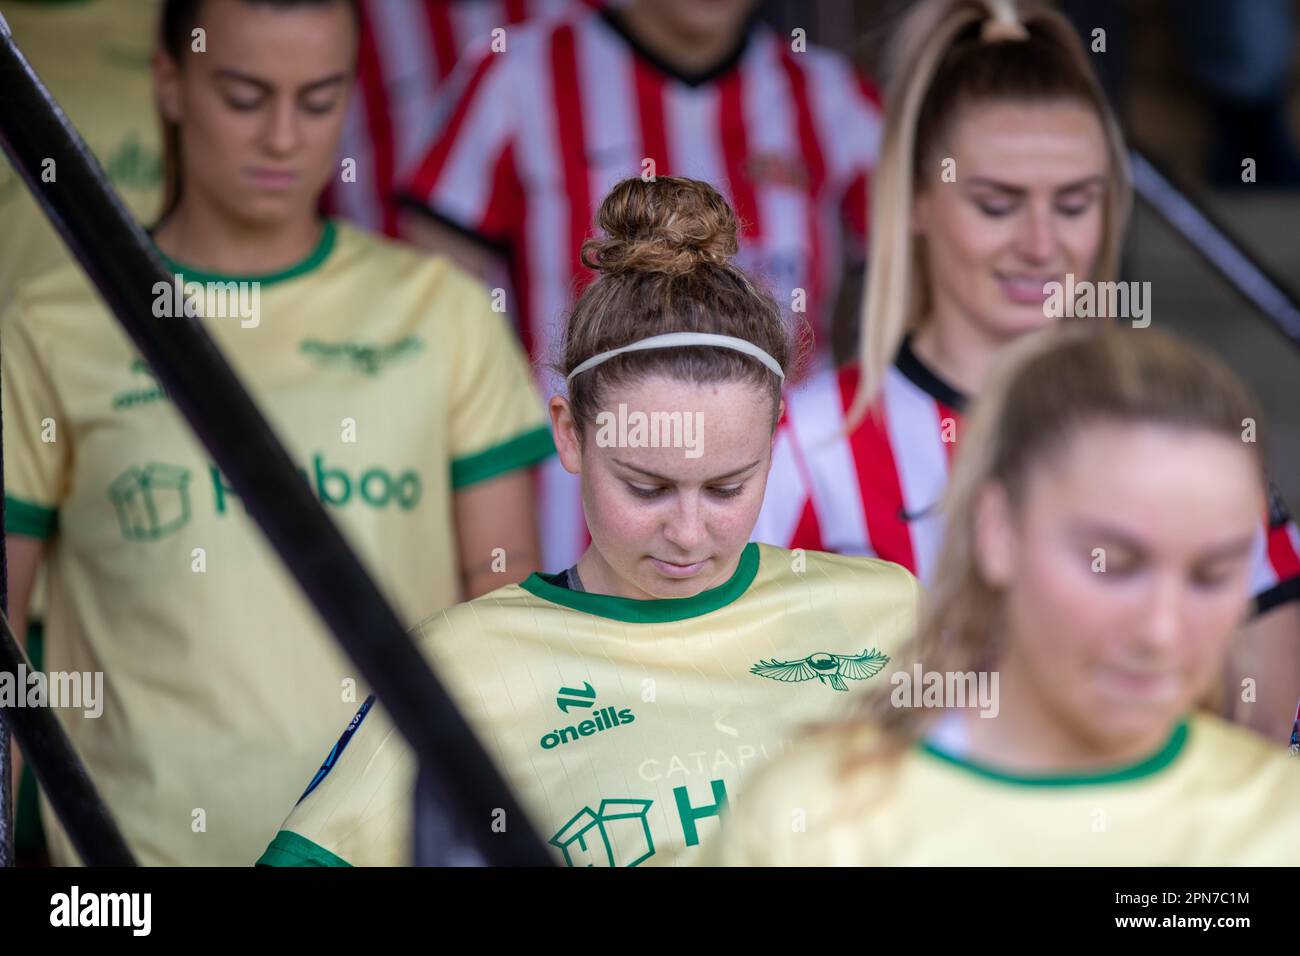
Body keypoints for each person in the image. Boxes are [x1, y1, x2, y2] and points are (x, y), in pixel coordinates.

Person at [2, 0, 551, 866]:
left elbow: (507, 620)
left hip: (384, 855)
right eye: (246, 96)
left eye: (320, 97)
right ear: (169, 82)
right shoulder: (50, 325)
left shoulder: (440, 310)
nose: (286, 138)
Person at [257, 176, 919, 868]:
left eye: (728, 487)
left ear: (776, 435)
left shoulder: (886, 609)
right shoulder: (469, 666)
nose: (689, 534)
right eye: (647, 488)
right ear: (570, 434)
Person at [751, 0, 1300, 740]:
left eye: (1075, 203)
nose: (1042, 244)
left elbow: (1263, 745)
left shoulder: (1189, 431)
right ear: (913, 198)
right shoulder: (803, 449)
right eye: (997, 203)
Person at [714, 324, 1300, 866]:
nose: (1162, 631)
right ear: (997, 531)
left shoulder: (1278, 819)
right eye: (1114, 566)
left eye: (1214, 575)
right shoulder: (816, 825)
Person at [397, 0, 885, 570]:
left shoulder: (831, 96)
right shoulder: (520, 74)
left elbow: (927, 273)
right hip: (567, 502)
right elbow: (434, 311)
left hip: (793, 492)